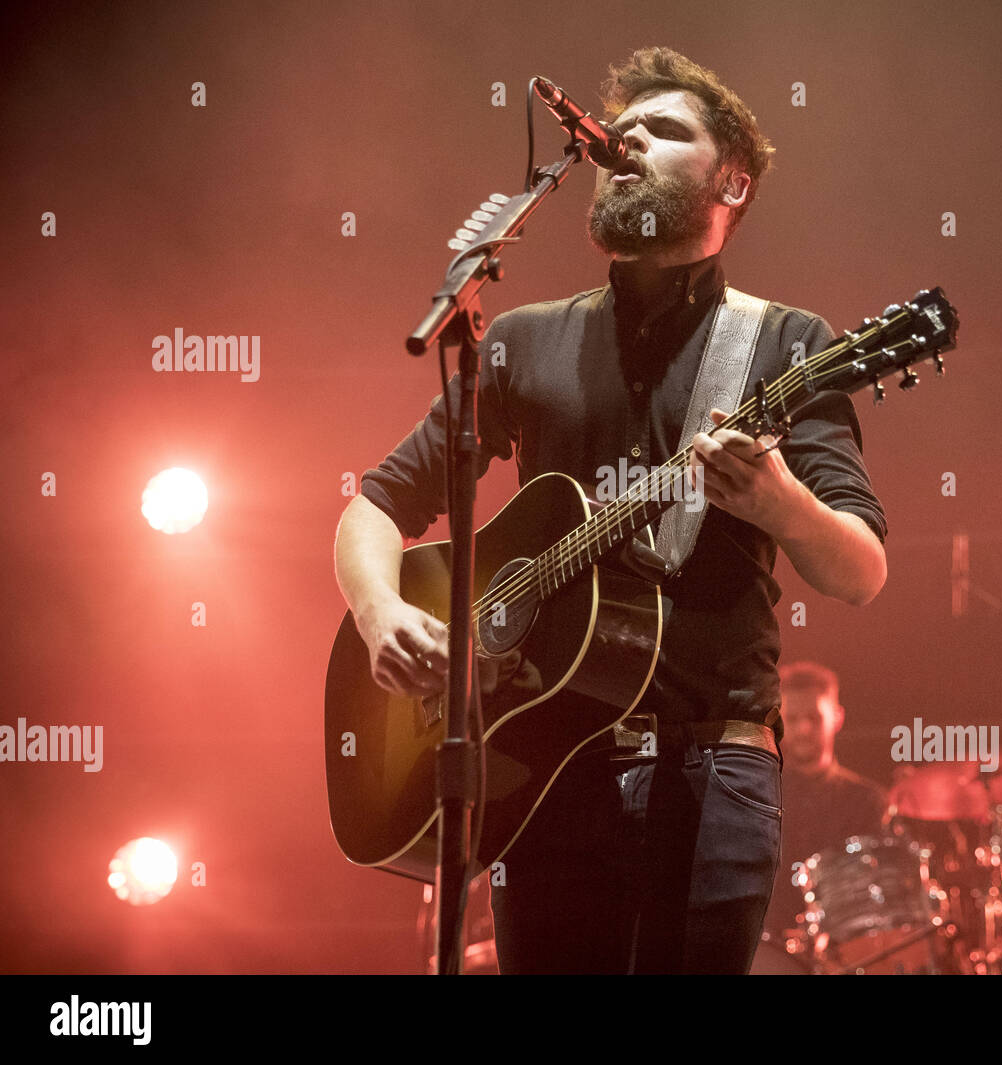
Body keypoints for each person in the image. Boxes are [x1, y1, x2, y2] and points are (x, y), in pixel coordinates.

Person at [333, 46, 888, 974]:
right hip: (539, 774)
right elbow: (378, 505)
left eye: (666, 130)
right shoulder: (520, 339)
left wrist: (779, 499)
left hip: (710, 768)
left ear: (733, 183)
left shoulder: (786, 343)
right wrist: (381, 610)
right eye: (623, 128)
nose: (629, 137)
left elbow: (859, 570)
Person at [760, 661, 891, 963]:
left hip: (849, 953)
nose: (804, 728)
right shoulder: (759, 794)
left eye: (813, 718)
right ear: (778, 721)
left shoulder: (867, 800)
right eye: (793, 718)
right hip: (770, 952)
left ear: (837, 717)